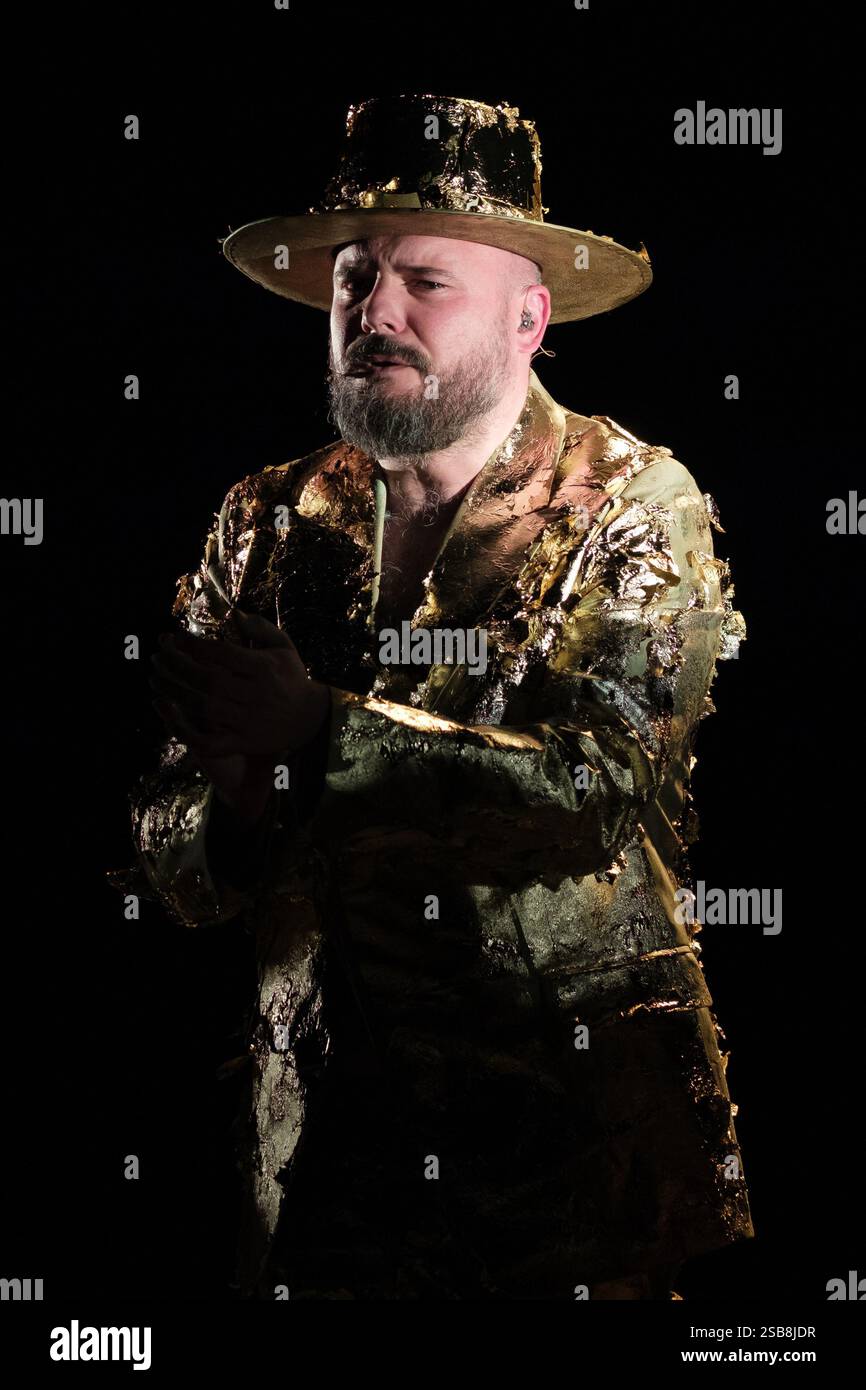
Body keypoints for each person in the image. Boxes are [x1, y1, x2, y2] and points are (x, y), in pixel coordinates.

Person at [109, 94, 754, 1299]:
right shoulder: (263, 518)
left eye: (425, 281)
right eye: (355, 280)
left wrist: (321, 737)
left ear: (528, 317)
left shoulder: (632, 502)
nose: (376, 314)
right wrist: (240, 806)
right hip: (316, 1171)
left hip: (573, 1171)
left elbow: (597, 791)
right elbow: (165, 850)